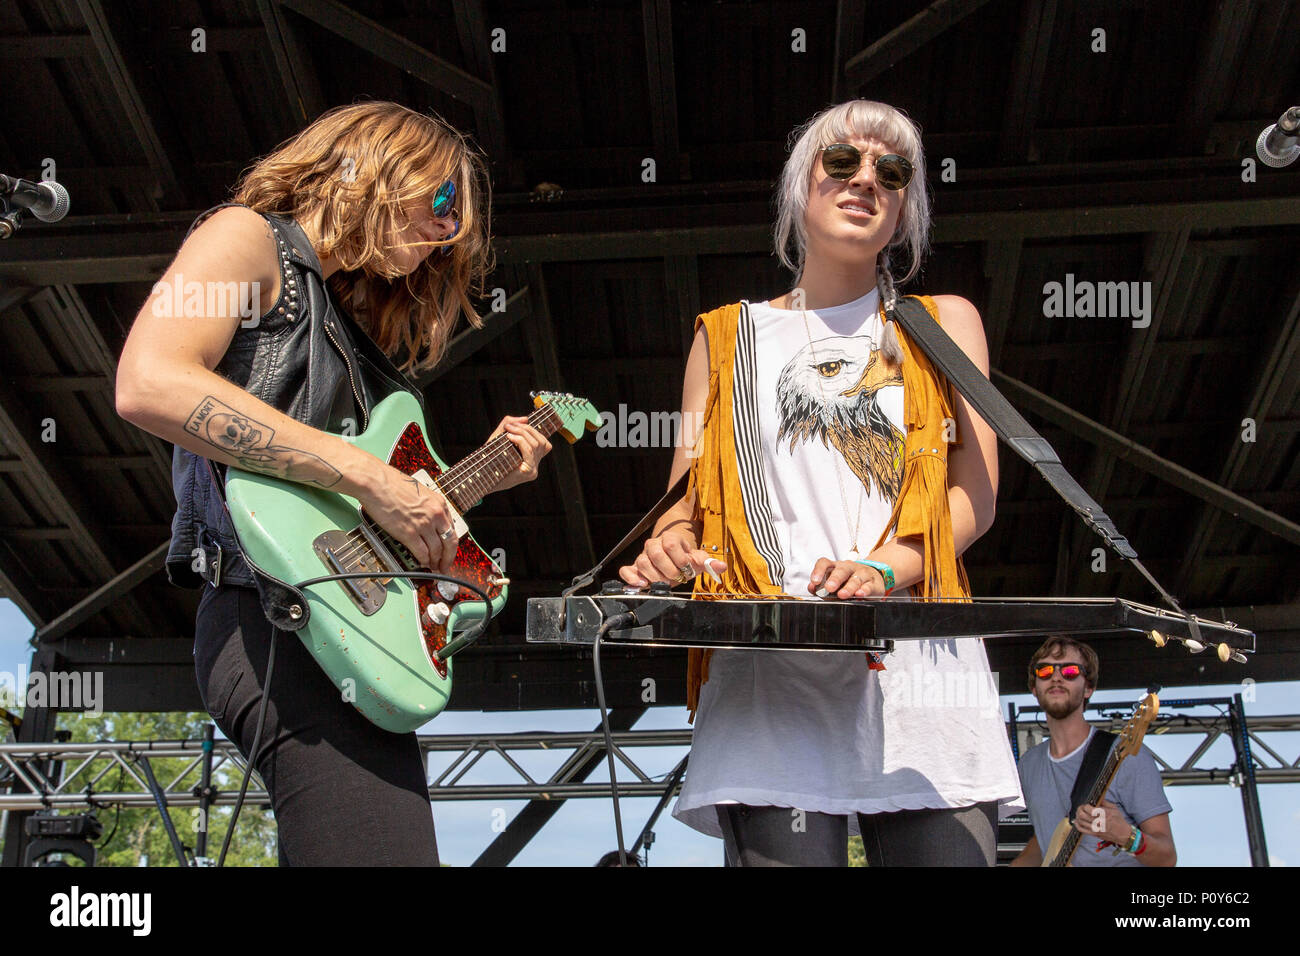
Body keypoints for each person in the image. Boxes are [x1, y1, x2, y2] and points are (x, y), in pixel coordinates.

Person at [116, 101, 553, 865]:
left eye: (456, 228)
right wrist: (362, 470)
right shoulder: (247, 240)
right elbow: (150, 382)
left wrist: (464, 487)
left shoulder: (349, 333)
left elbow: (362, 517)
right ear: (378, 164)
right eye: (443, 203)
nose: (443, 236)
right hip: (271, 617)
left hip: (342, 624)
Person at [619, 99, 1023, 866]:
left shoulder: (944, 323)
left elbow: (977, 490)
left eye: (891, 172)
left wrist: (882, 569)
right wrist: (667, 552)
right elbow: (682, 507)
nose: (865, 179)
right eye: (842, 162)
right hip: (767, 680)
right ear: (799, 189)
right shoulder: (724, 338)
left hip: (920, 677)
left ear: (904, 212)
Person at [1010, 636, 1175, 866]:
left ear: (1088, 688)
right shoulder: (1029, 764)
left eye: (1069, 671)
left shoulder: (1126, 756)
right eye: (1045, 671)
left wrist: (1127, 836)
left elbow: (1167, 857)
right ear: (1034, 689)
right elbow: (1046, 839)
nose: (1056, 677)